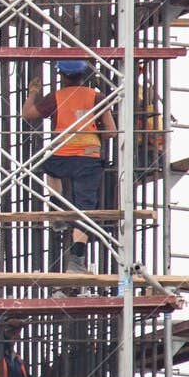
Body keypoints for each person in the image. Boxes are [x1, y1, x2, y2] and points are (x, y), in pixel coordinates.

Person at [22, 59, 117, 271]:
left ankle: (57, 208)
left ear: (62, 76)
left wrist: (33, 93)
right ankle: (76, 259)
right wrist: (90, 128)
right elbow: (111, 132)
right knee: (84, 209)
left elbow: (28, 114)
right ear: (83, 75)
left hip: (62, 154)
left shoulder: (56, 97)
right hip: (89, 158)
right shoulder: (97, 97)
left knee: (46, 166)